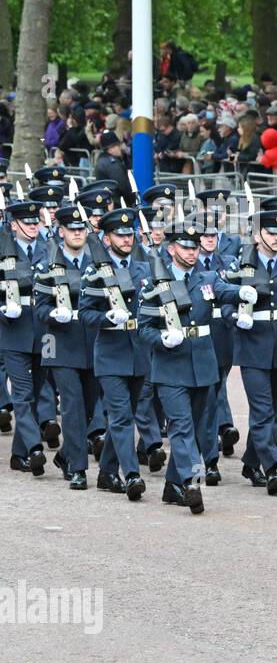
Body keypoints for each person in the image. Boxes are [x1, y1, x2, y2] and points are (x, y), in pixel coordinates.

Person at [137, 224, 253, 514]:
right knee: (181, 426)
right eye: (186, 247)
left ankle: (173, 484)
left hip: (203, 364)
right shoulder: (156, 284)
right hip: (170, 366)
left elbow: (225, 291)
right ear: (172, 249)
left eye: (195, 247)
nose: (191, 252)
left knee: (202, 429)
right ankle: (190, 479)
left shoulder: (208, 278)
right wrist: (162, 339)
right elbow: (144, 328)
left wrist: (244, 292)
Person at [78, 207, 150, 500]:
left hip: (138, 353)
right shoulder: (95, 271)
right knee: (121, 418)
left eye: (128, 233)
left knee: (126, 414)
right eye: (119, 235)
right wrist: (108, 318)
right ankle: (131, 474)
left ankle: (107, 472)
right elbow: (84, 313)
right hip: (110, 353)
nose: (125, 238)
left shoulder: (144, 268)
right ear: (107, 238)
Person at [229, 209, 277, 495]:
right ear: (257, 235)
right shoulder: (242, 265)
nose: (276, 238)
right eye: (270, 233)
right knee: (261, 410)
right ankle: (271, 467)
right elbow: (225, 301)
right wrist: (235, 316)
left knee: (271, 410)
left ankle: (250, 462)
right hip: (254, 347)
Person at [33, 206, 99, 490]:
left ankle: (63, 456)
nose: (77, 233)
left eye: (80, 229)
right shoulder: (50, 264)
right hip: (60, 344)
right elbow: (40, 308)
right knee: (71, 406)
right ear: (61, 232)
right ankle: (78, 469)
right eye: (71, 229)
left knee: (88, 409)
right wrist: (52, 315)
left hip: (93, 344)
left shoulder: (98, 262)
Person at [0, 200, 52, 476]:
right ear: (13, 224)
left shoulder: (48, 249)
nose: (33, 226)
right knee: (21, 394)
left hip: (44, 332)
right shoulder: (2, 250)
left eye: (36, 222)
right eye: (28, 222)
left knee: (34, 392)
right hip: (12, 331)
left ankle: (18, 454)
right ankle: (34, 447)